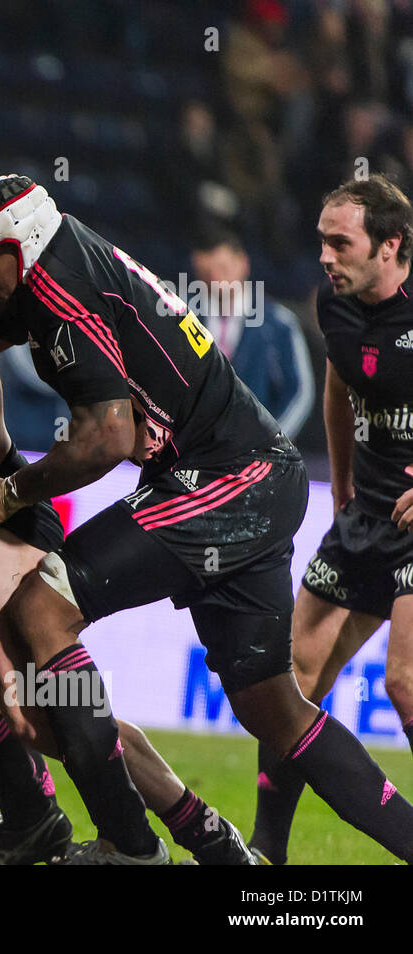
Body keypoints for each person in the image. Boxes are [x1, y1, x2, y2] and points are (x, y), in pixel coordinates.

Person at [0, 173, 413, 864]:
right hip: (255, 476)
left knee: (42, 611)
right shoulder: (71, 264)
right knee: (275, 707)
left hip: (234, 475)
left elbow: (106, 438)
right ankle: (221, 841)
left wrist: (13, 492)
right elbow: (334, 387)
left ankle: (131, 844)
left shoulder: (58, 280)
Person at [251, 174, 413, 865]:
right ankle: (267, 850)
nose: (324, 256)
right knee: (291, 678)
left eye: (340, 243)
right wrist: (341, 483)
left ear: (390, 247)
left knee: (403, 681)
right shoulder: (335, 304)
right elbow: (339, 385)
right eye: (321, 241)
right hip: (364, 514)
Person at [189, 228, 314, 439]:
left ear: (242, 263)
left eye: (223, 269)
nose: (215, 279)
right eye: (205, 273)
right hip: (194, 448)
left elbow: (299, 392)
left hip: (257, 449)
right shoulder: (184, 318)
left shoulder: (278, 324)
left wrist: (272, 441)